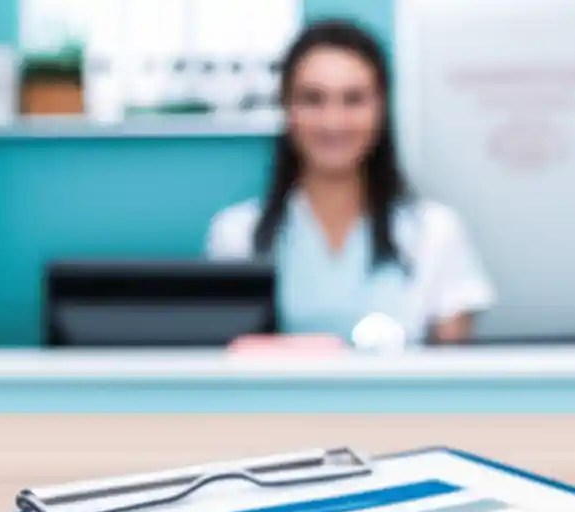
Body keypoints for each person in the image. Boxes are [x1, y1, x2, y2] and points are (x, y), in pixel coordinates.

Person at [206, 20, 495, 346]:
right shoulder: (238, 234)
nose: (333, 122)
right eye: (313, 99)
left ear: (381, 108)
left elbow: (453, 378)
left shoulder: (435, 232)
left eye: (354, 99)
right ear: (287, 107)